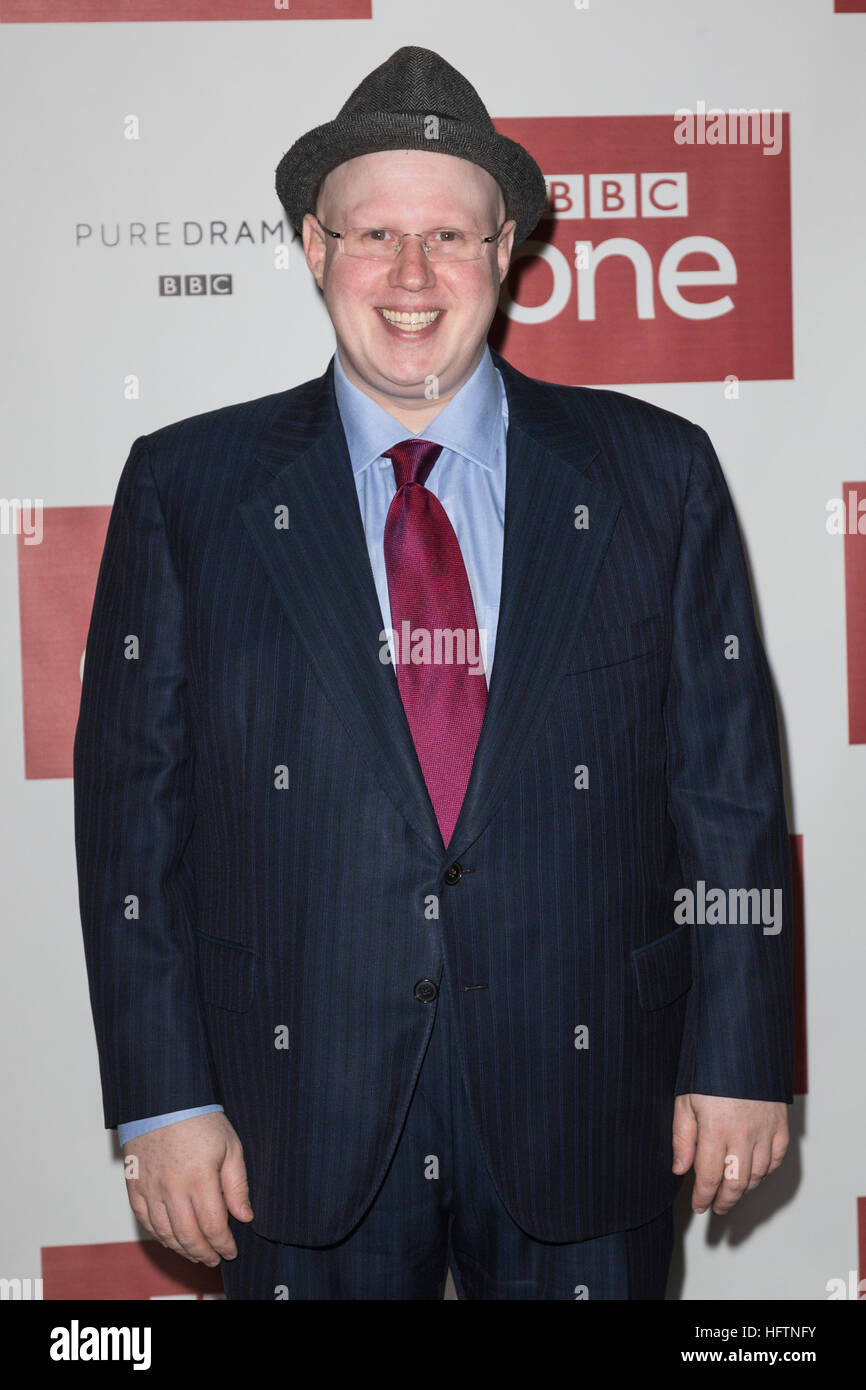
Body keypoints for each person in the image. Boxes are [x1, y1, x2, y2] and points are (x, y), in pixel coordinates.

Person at [73, 45, 793, 1301]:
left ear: (505, 246)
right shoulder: (186, 487)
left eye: (449, 237)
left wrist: (739, 1052)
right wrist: (159, 1095)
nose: (411, 277)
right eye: (373, 235)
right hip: (288, 1113)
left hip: (589, 1100)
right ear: (312, 245)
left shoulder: (654, 474)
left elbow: (725, 802)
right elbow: (131, 824)